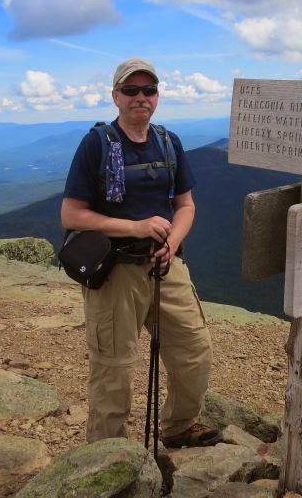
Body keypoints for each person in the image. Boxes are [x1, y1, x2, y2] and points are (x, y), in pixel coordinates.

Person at [61, 57, 221, 448]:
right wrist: (135, 227)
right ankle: (108, 453)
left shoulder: (168, 142)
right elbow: (72, 214)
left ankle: (179, 426)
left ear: (157, 96)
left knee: (194, 349)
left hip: (165, 264)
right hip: (115, 271)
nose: (141, 97)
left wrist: (172, 241)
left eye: (149, 90)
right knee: (113, 367)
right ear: (115, 96)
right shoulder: (97, 144)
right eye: (131, 90)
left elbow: (185, 206)